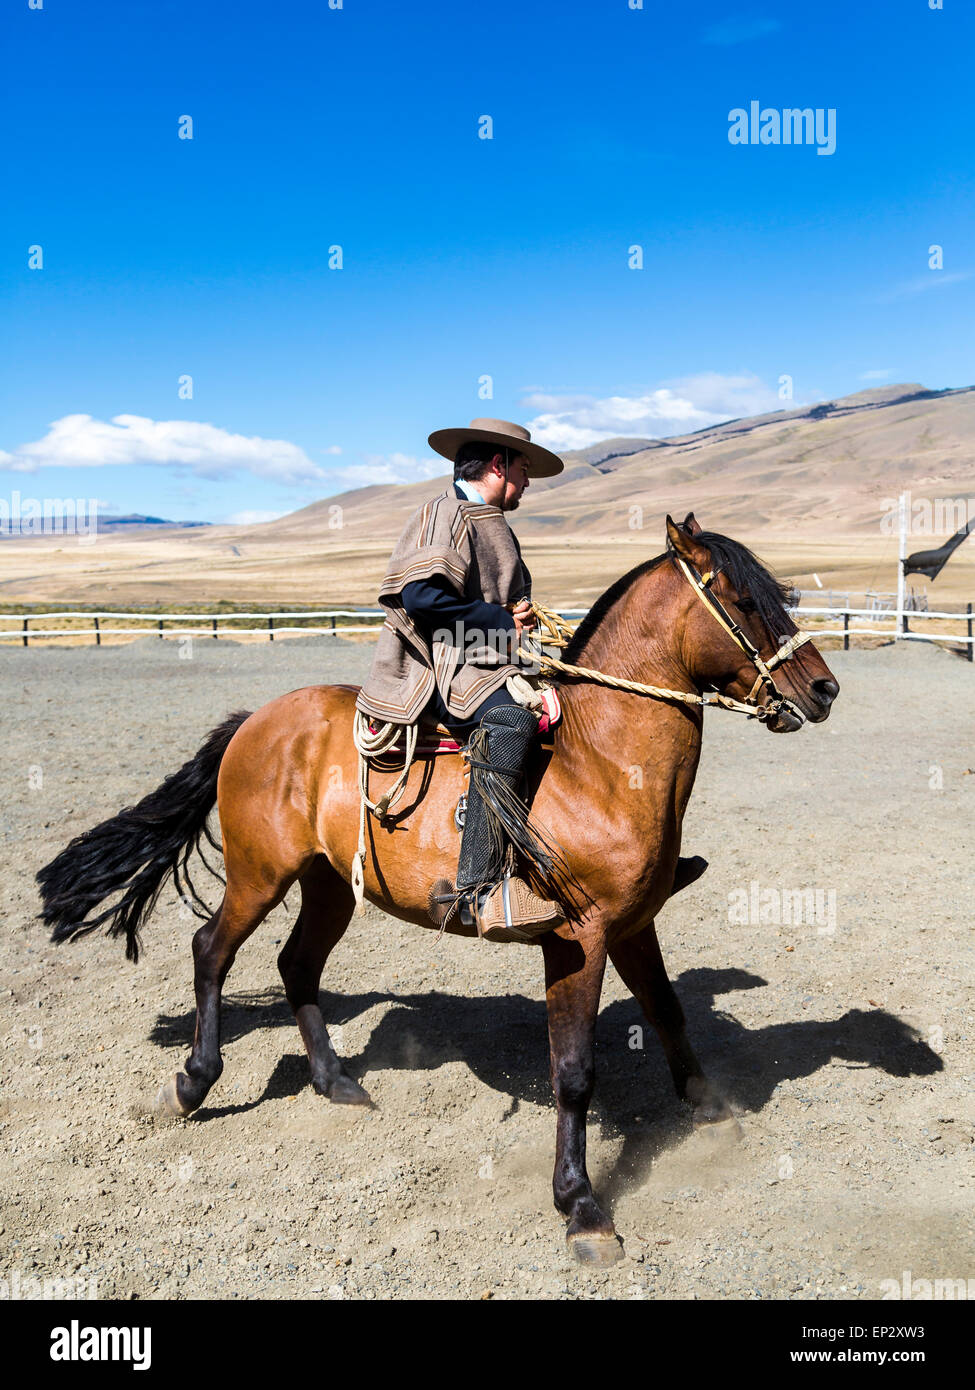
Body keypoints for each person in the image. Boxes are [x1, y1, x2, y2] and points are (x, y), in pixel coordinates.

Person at [356, 417, 565, 941]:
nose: (528, 481)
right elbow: (421, 598)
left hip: (491, 659)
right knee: (511, 721)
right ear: (498, 465)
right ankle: (478, 890)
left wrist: (518, 622)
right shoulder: (444, 513)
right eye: (524, 469)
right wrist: (500, 621)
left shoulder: (490, 520)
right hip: (445, 667)